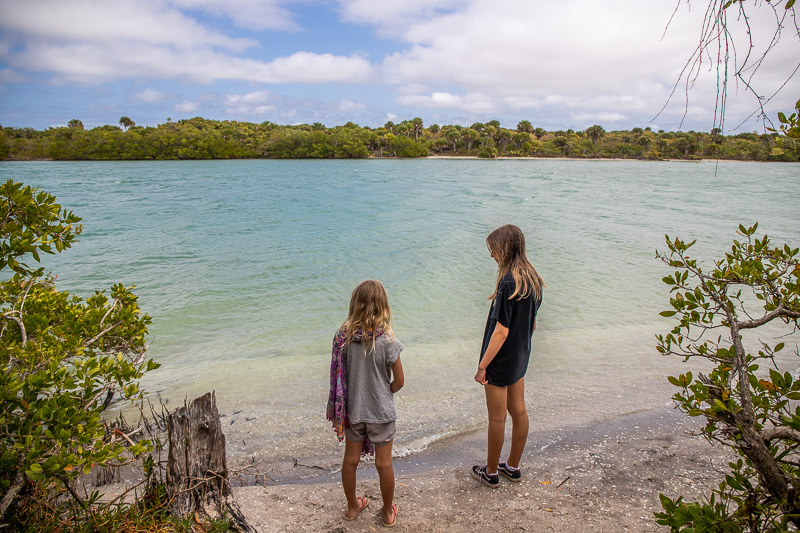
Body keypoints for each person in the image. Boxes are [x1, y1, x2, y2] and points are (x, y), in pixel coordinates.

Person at [326, 280, 404, 527]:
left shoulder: (344, 339)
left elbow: (341, 377)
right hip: (381, 412)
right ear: (383, 306)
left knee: (350, 460)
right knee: (384, 464)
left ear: (354, 305)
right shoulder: (388, 341)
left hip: (354, 410)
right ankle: (387, 511)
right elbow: (399, 381)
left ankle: (352, 506)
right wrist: (384, 392)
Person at [472, 224, 544, 488]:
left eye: (494, 250)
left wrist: (483, 366)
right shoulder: (533, 278)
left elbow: (501, 331)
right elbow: (532, 324)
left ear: (505, 248)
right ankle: (512, 466)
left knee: (497, 418)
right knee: (519, 411)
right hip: (520, 357)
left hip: (500, 361)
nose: (492, 255)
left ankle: (490, 472)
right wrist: (520, 350)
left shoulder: (508, 282)